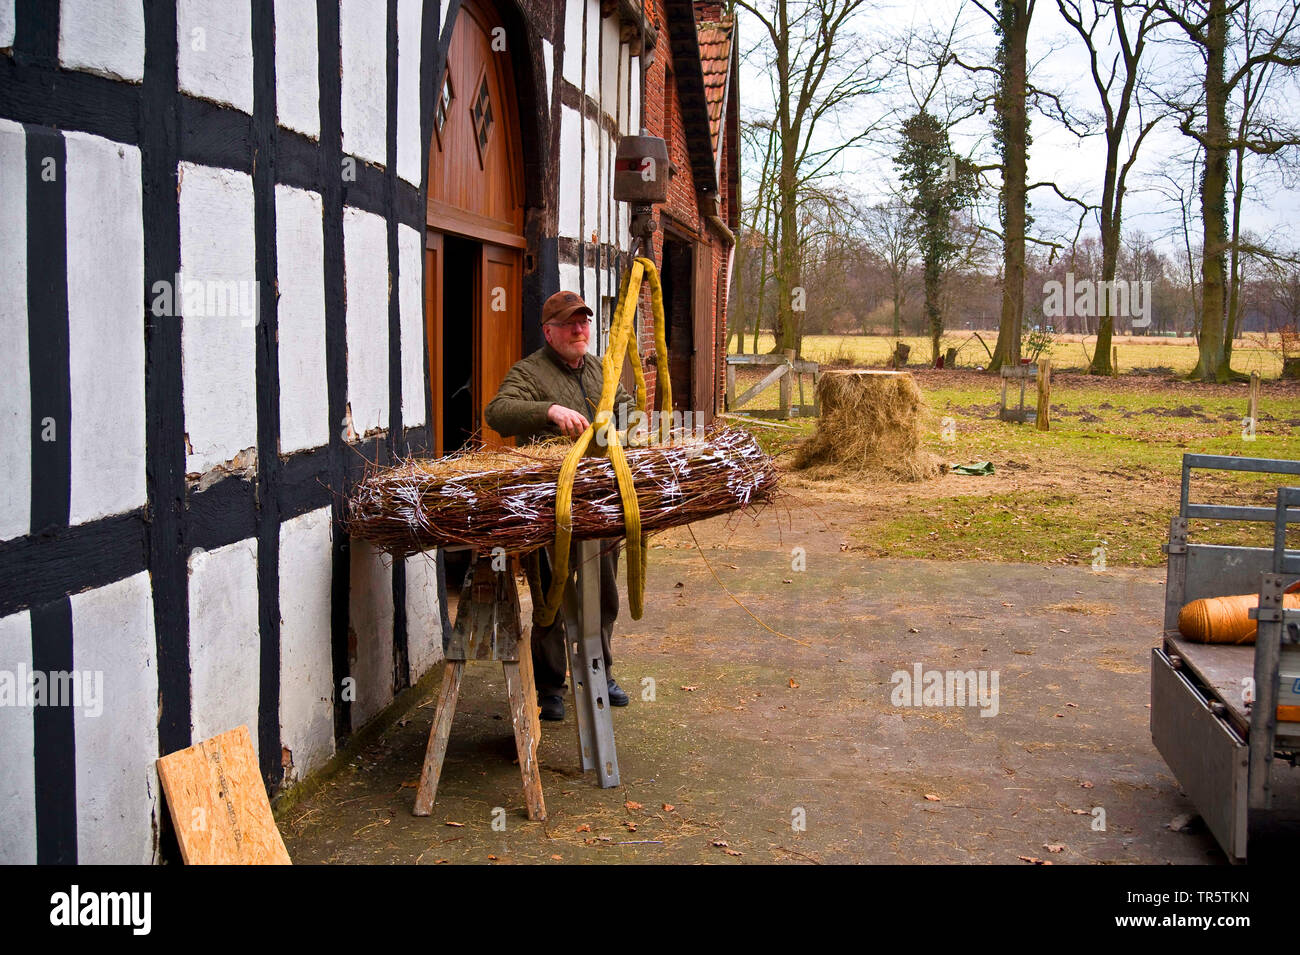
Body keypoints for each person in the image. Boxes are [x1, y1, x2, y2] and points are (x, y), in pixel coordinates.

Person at [484, 290, 635, 721]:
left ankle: (600, 670)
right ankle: (551, 686)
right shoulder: (529, 372)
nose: (579, 329)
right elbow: (497, 412)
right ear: (549, 332)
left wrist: (624, 426)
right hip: (549, 503)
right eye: (569, 323)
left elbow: (628, 410)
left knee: (603, 592)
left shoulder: (602, 369)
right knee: (552, 595)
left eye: (584, 322)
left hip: (600, 498)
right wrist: (548, 410)